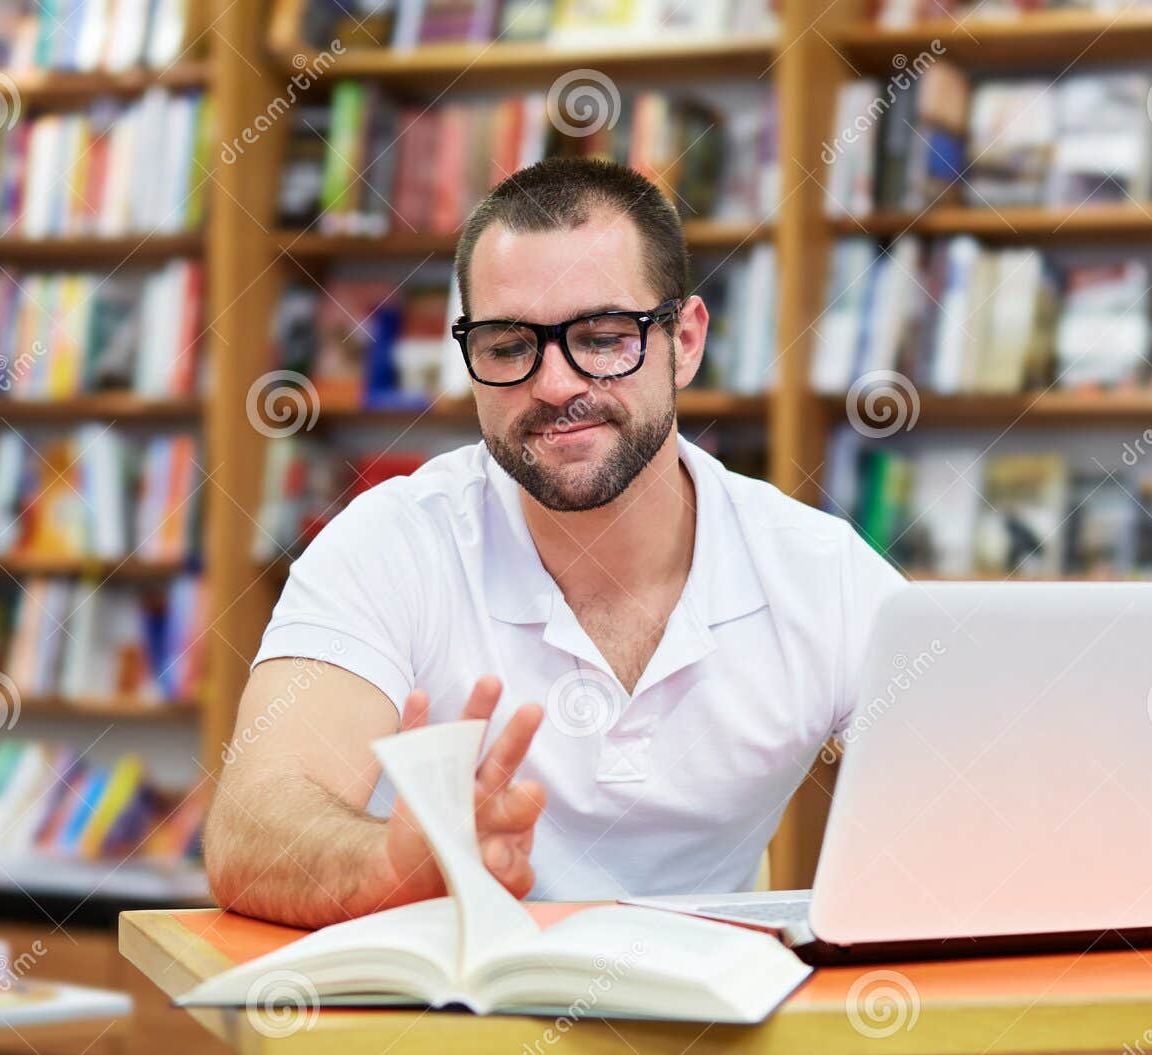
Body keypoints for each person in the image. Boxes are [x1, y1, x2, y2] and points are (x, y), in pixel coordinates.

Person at [203, 157, 904, 928]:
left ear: (686, 341)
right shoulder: (389, 545)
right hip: (446, 1034)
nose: (556, 385)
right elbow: (250, 831)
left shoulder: (818, 571)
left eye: (603, 337)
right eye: (508, 348)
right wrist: (397, 866)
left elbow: (985, 800)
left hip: (711, 1031)